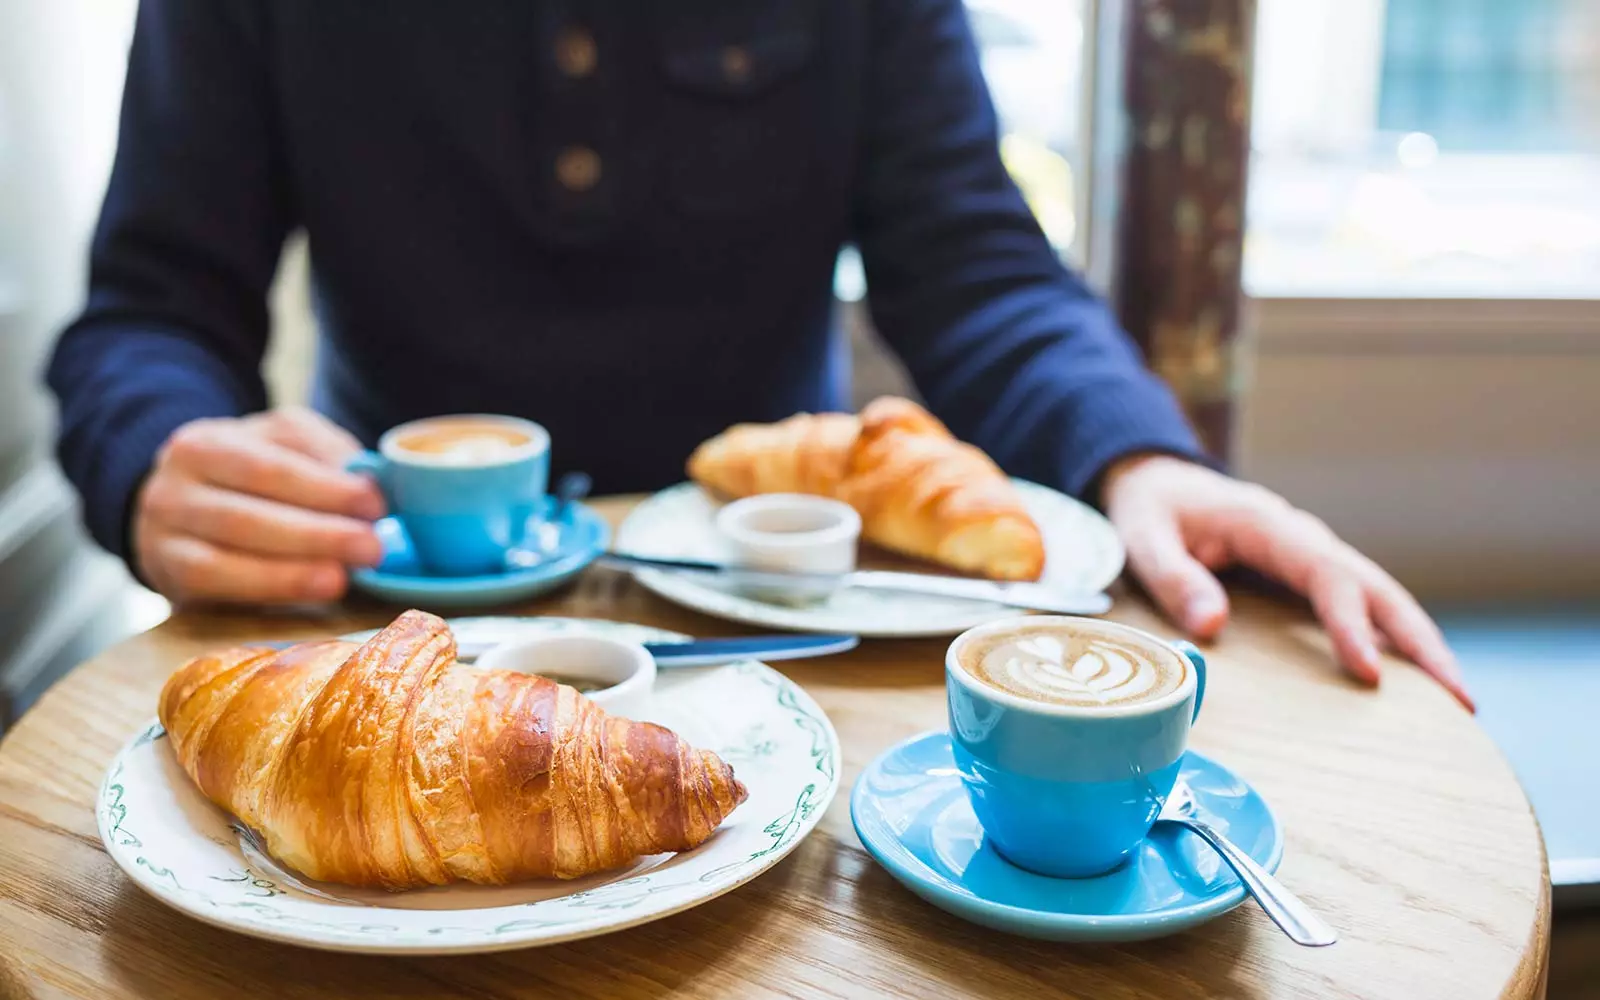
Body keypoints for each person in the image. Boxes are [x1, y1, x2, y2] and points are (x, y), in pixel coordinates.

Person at [46, 0, 1471, 709]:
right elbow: (153, 311)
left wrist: (1138, 450)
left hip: (799, 651)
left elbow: (971, 261)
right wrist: (158, 459)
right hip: (388, 628)